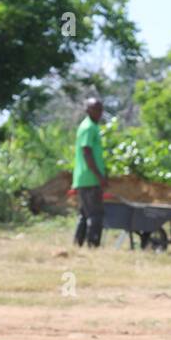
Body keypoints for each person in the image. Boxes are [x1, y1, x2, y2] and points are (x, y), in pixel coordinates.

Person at [73, 97, 108, 248]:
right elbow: (87, 152)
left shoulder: (90, 126)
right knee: (96, 214)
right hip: (90, 178)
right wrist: (99, 176)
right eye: (96, 109)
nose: (99, 113)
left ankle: (77, 244)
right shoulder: (88, 128)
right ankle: (92, 245)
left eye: (101, 109)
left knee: (84, 214)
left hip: (84, 178)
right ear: (88, 110)